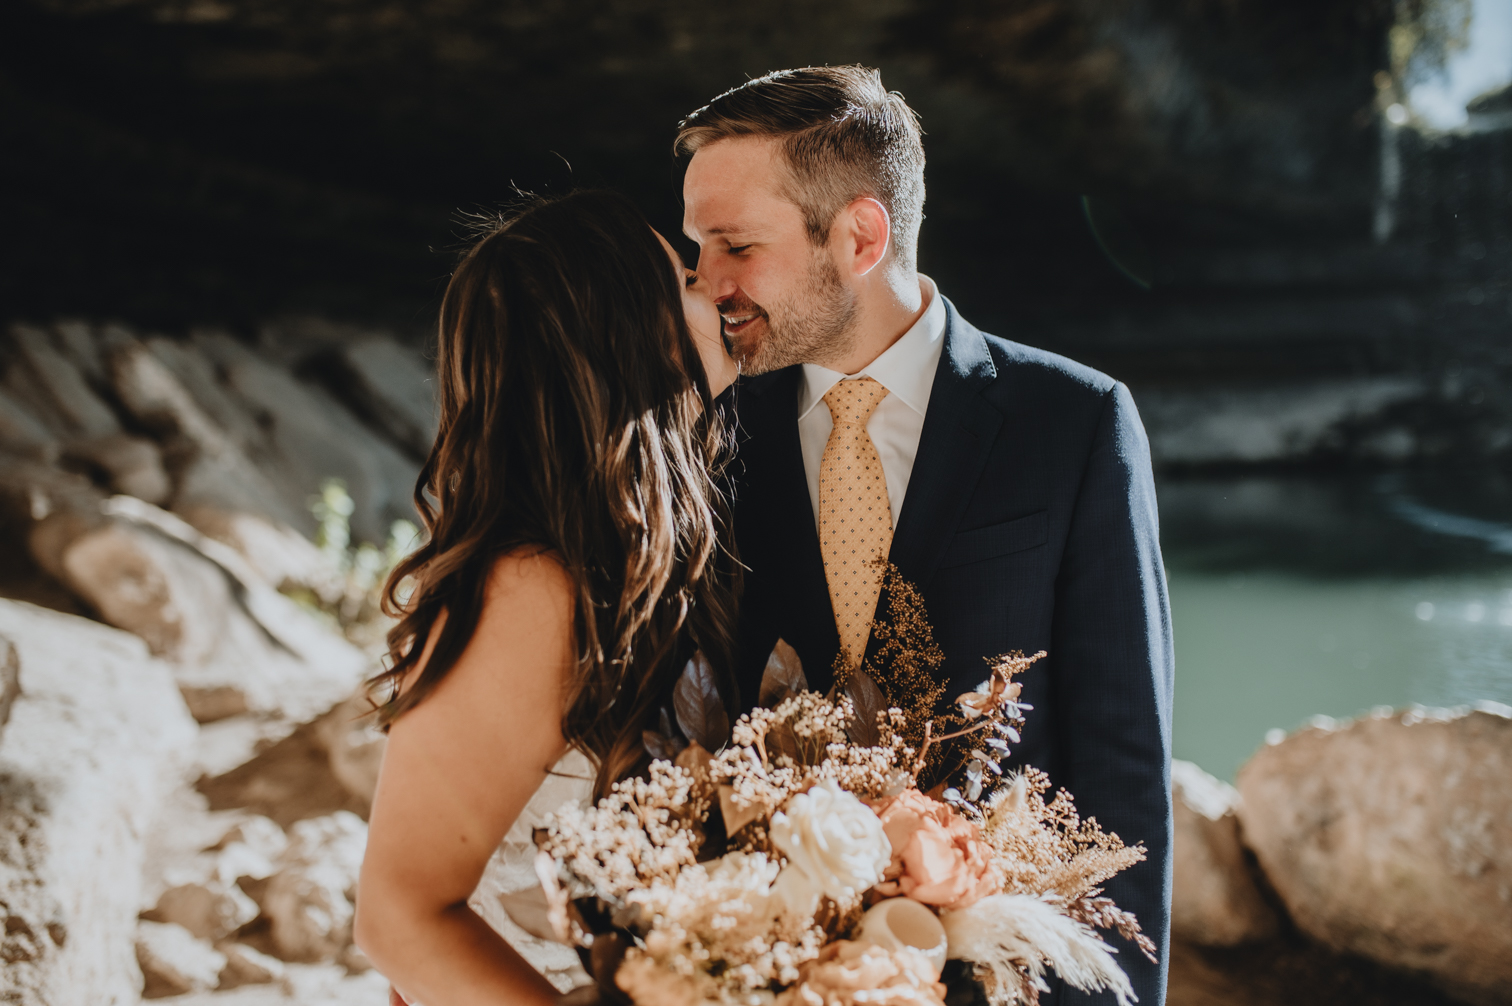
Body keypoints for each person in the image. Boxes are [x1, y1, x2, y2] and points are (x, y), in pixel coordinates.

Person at [678, 66, 1173, 1005]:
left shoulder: (1076, 422)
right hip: (765, 970)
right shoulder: (707, 428)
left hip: (1013, 975)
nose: (707, 282)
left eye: (735, 244)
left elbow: (1124, 760)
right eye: (698, 247)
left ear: (862, 235)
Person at [353, 189, 738, 1006]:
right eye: (688, 283)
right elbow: (399, 918)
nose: (721, 292)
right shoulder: (530, 586)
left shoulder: (635, 560)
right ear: (632, 335)